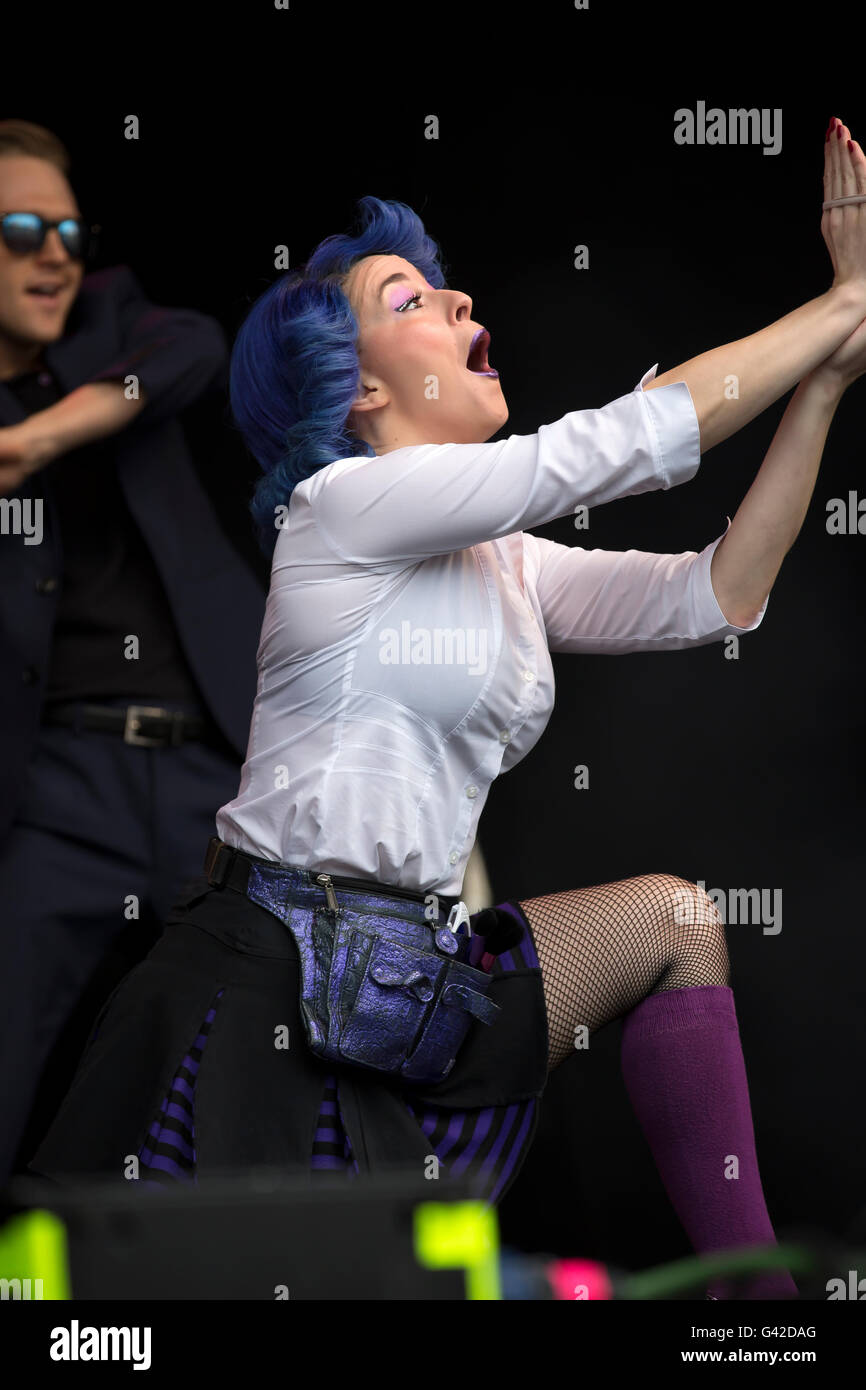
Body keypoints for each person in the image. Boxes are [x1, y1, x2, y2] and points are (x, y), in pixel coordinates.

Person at [27, 116, 866, 1299]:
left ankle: (761, 1307)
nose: (461, 297)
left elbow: (714, 595)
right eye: (412, 295)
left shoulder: (504, 559)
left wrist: (822, 387)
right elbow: (626, 442)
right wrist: (841, 302)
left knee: (677, 923)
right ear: (360, 386)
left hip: (411, 983)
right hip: (263, 975)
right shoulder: (341, 506)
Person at [0, 120, 266, 1186]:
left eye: (69, 228)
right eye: (22, 229)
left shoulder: (111, 322)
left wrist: (34, 438)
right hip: (57, 783)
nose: (55, 252)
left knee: (265, 1058)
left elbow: (196, 346)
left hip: (218, 769)